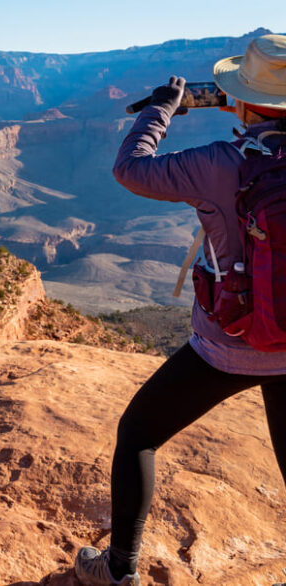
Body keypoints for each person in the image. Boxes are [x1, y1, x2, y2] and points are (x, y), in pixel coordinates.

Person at [74, 33, 286, 586]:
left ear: (240, 99)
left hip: (226, 347)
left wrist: (163, 111)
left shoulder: (218, 162)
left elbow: (131, 168)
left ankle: (119, 571)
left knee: (139, 431)